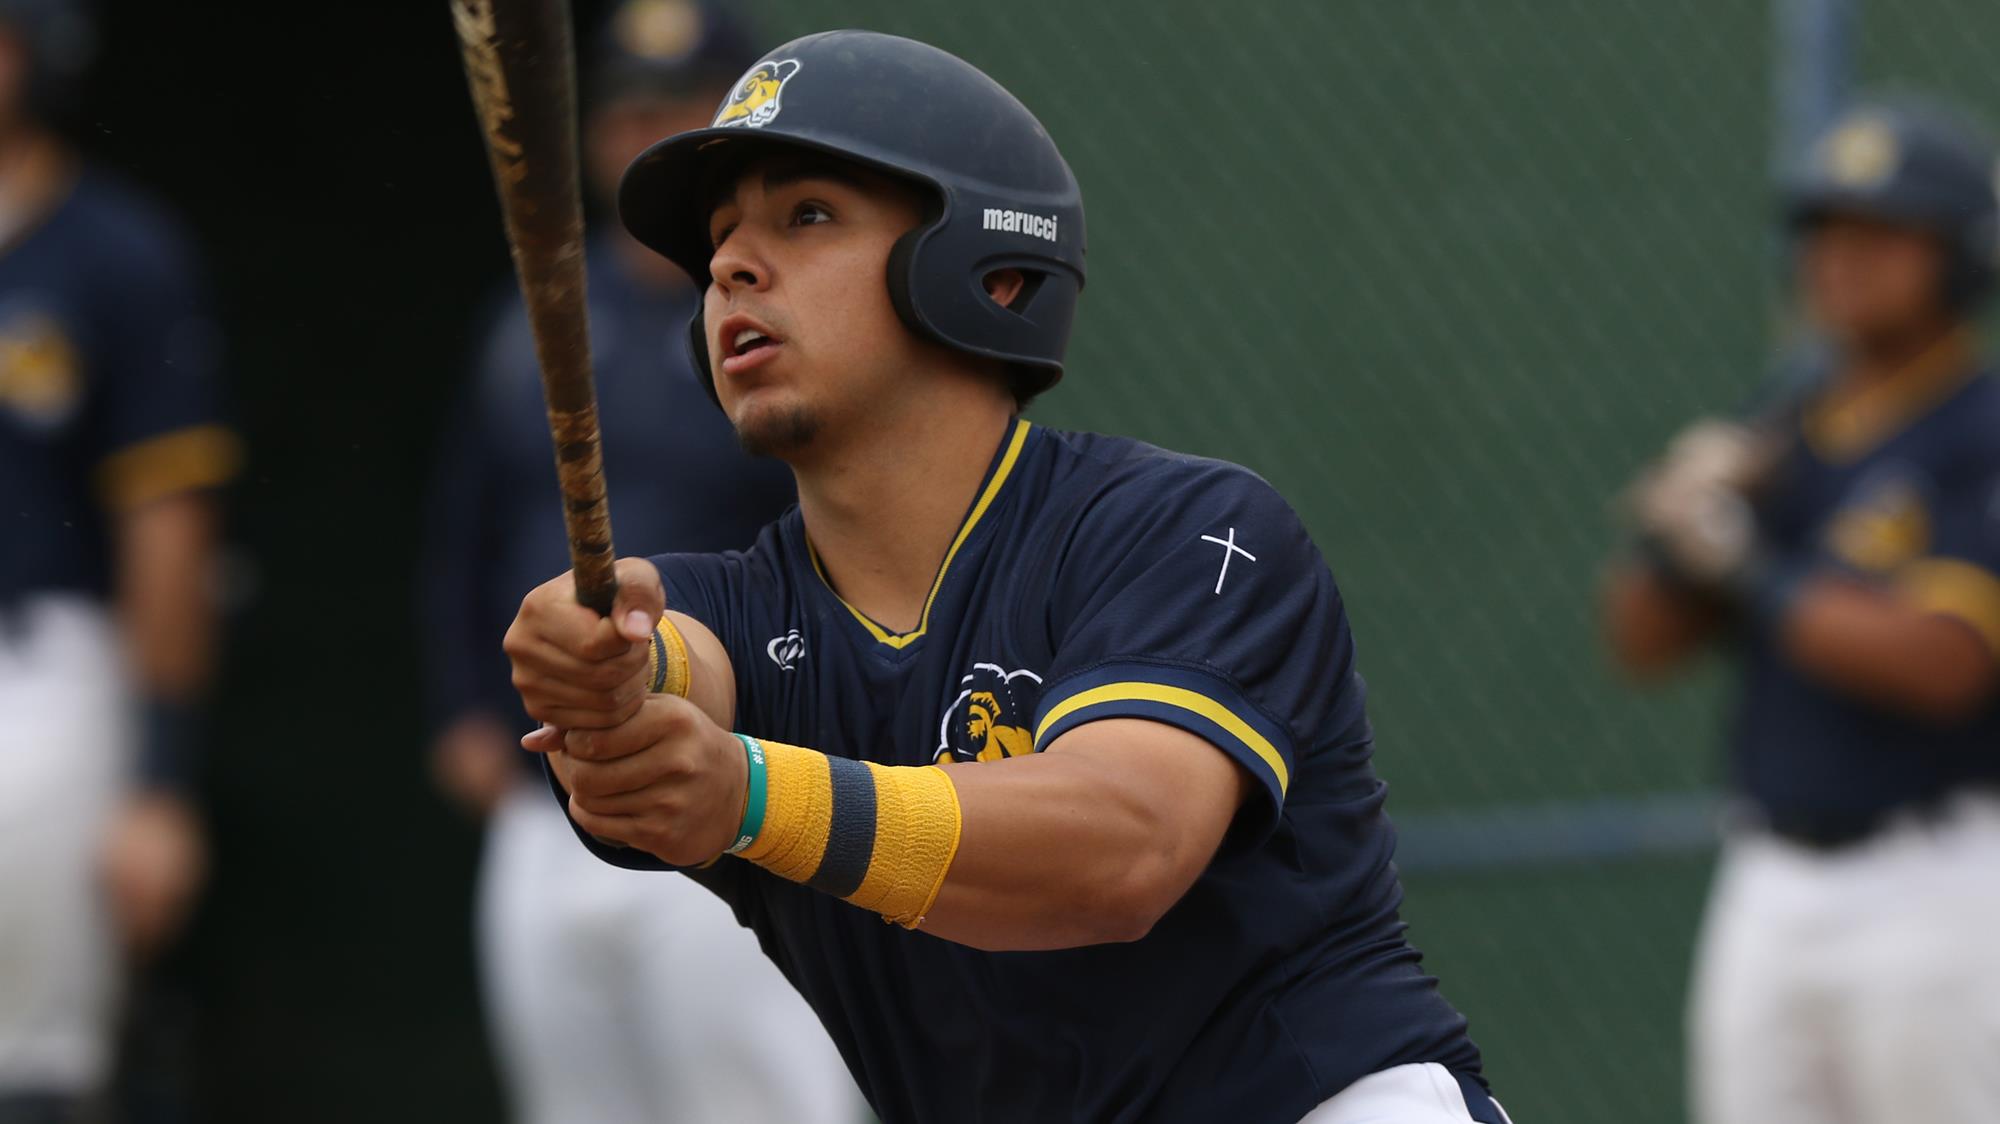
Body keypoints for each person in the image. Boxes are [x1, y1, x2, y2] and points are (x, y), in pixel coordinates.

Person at [503, 30, 1509, 1124]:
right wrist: (603, 671)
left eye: (807, 216)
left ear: (993, 270)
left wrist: (743, 792)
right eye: (718, 242)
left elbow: (1121, 848)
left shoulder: (1183, 529)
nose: (731, 267)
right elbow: (672, 665)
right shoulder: (729, 608)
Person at [418, 3, 851, 1122]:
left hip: (738, 775)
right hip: (547, 786)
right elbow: (466, 524)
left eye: (679, 108)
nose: (645, 129)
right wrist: (462, 705)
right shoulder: (525, 315)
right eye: (628, 109)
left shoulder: (789, 327)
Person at [1603, 98, 2000, 1124]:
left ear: (1961, 256)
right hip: (1769, 876)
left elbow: (1943, 661)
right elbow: (1637, 640)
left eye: (1882, 234)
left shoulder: (1980, 427)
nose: (1841, 260)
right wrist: (1677, 532)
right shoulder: (1784, 423)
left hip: (1938, 878)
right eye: (1825, 231)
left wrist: (1746, 570)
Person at [0, 0, 234, 1119]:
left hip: (43, 671)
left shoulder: (116, 252)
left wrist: (158, 779)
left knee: (34, 1061)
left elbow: (169, 532)